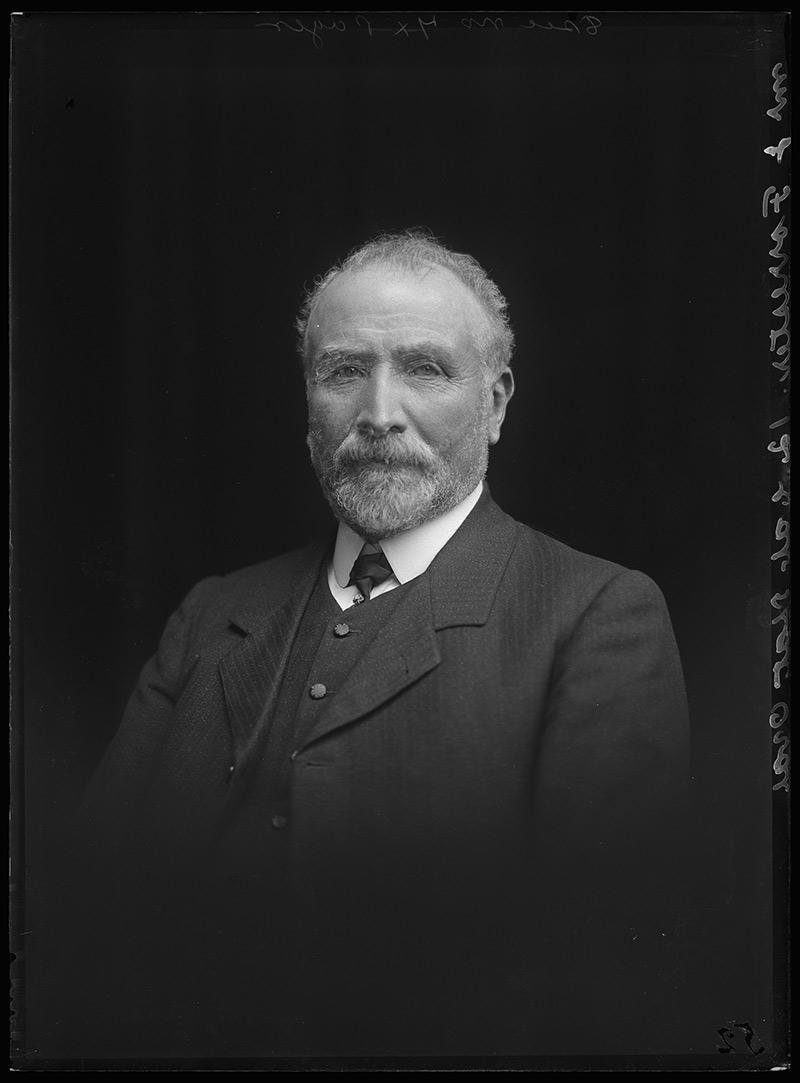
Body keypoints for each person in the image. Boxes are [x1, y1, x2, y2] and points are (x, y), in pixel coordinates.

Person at [71, 231, 690, 1058]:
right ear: (308, 403)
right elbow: (88, 903)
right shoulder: (213, 612)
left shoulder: (596, 615)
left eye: (425, 369)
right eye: (344, 371)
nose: (379, 413)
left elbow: (596, 964)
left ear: (496, 403)